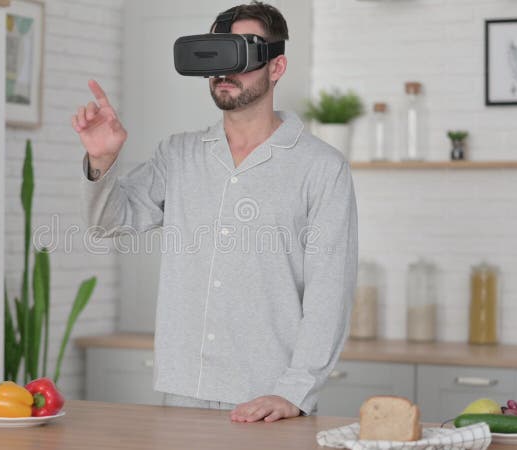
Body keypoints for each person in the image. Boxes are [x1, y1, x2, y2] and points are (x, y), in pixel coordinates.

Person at [72, 2, 358, 423]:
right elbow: (108, 224)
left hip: (272, 402)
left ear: (276, 67)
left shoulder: (321, 167)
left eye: (238, 53)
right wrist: (102, 161)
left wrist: (294, 392)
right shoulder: (179, 154)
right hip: (184, 392)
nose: (224, 71)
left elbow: (329, 294)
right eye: (216, 54)